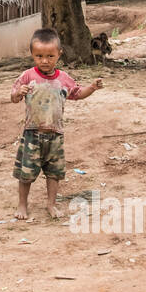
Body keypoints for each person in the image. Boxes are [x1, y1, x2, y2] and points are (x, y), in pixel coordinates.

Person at [10, 27, 103, 219]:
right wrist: (19, 93)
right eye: (39, 56)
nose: (45, 61)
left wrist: (92, 87)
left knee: (54, 173)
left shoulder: (64, 79)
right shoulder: (27, 76)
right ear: (32, 54)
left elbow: (77, 94)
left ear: (59, 54)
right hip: (32, 133)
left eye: (50, 56)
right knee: (25, 173)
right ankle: (22, 205)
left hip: (56, 135)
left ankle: (51, 205)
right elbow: (13, 97)